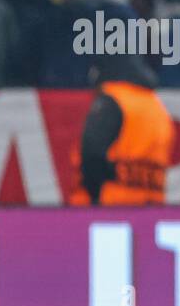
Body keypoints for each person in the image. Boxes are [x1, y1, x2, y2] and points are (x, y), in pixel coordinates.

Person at [69, 49, 174, 206]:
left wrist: (93, 197)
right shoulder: (158, 107)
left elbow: (92, 154)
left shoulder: (113, 100)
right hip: (150, 209)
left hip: (109, 206)